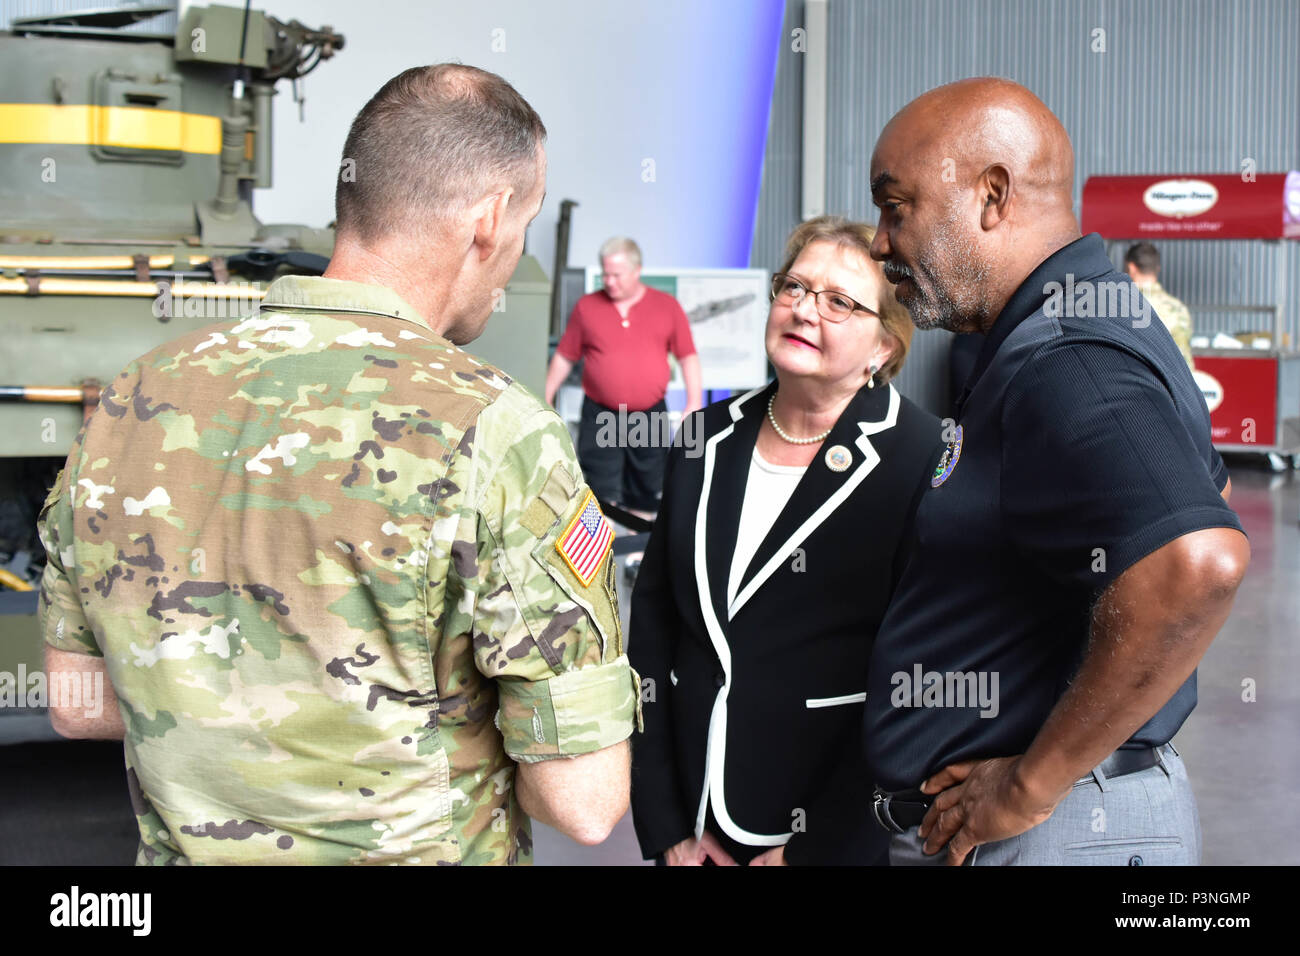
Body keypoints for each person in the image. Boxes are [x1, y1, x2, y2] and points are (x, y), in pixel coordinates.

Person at [37, 64, 639, 865]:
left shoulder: (130, 400)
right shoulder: (496, 431)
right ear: (490, 220)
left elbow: (79, 705)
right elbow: (585, 801)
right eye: (525, 222)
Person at [865, 77, 1249, 865]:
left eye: (895, 206)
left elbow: (1198, 559)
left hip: (1055, 830)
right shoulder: (1073, 329)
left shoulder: (1069, 356)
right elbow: (1207, 489)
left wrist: (1029, 785)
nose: (879, 240)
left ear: (992, 195)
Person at [628, 216, 944, 866]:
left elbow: (917, 678)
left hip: (820, 836)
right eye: (794, 288)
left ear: (885, 345)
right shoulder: (703, 439)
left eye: (838, 302)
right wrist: (665, 826)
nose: (804, 310)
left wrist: (809, 846)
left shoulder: (919, 459)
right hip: (692, 827)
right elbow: (654, 635)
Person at [544, 238, 703, 516]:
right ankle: (602, 554)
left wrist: (694, 401)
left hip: (648, 415)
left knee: (647, 487)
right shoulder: (587, 307)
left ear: (636, 270)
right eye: (605, 273)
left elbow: (688, 356)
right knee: (599, 488)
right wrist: (545, 397)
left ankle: (638, 556)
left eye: (616, 275)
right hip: (600, 414)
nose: (609, 281)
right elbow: (565, 356)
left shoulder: (667, 306)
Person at [1125, 241, 1195, 371]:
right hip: (1180, 386)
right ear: (1157, 268)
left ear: (1131, 268)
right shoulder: (1179, 307)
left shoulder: (1126, 306)